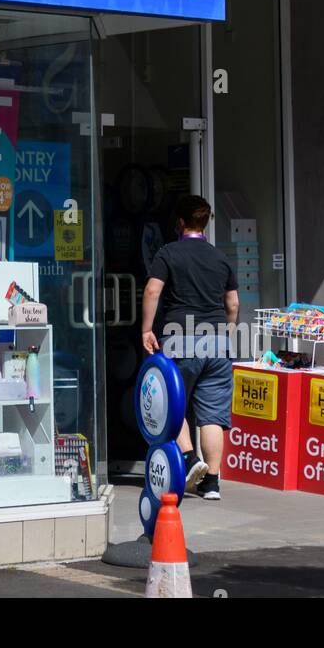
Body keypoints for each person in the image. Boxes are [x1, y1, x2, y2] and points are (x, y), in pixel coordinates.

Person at [141, 194, 239, 501]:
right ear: (205, 223)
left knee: (173, 403)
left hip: (179, 337)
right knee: (211, 416)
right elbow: (232, 303)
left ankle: (188, 458)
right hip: (217, 343)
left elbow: (152, 290)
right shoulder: (220, 257)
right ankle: (211, 483)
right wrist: (228, 331)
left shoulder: (169, 252)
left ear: (180, 223)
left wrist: (146, 329)